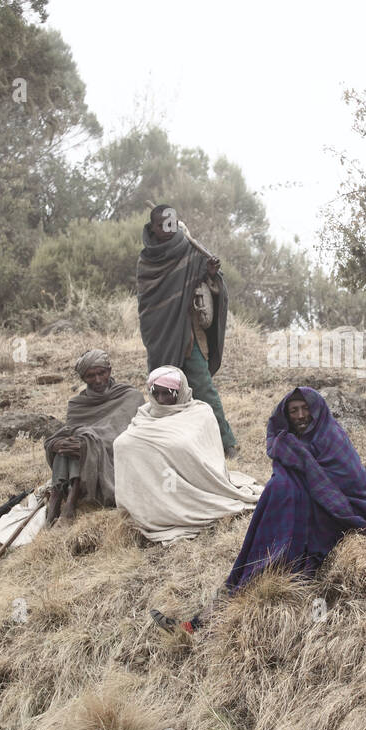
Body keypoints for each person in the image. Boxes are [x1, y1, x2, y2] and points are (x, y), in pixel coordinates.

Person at [150, 386, 366, 634]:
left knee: (275, 522)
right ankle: (200, 622)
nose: (300, 415)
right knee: (271, 513)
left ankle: (203, 622)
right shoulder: (288, 446)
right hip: (291, 518)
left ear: (316, 410)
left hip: (331, 518)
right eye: (293, 410)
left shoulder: (332, 440)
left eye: (305, 408)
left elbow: (353, 486)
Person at [114, 366, 262, 543]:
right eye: (156, 393)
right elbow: (126, 442)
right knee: (122, 443)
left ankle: (175, 505)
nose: (161, 400)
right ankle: (146, 504)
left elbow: (196, 451)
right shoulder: (146, 415)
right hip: (155, 488)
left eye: (168, 393)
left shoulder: (200, 412)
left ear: (181, 391)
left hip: (190, 485)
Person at [136, 204, 238, 457]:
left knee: (203, 388)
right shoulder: (147, 259)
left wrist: (211, 273)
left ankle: (226, 445)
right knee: (163, 389)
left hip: (190, 333)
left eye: (171, 223)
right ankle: (166, 446)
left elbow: (210, 282)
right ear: (153, 226)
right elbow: (149, 302)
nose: (167, 229)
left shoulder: (190, 249)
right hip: (161, 334)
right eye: (162, 225)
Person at [41, 349, 144, 526]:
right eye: (90, 376)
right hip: (84, 452)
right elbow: (71, 431)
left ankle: (68, 502)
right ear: (83, 378)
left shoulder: (130, 396)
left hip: (115, 457)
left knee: (84, 441)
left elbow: (129, 434)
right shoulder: (77, 404)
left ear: (110, 371)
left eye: (101, 373)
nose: (97, 380)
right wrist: (59, 444)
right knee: (68, 442)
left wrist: (88, 441)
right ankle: (58, 499)